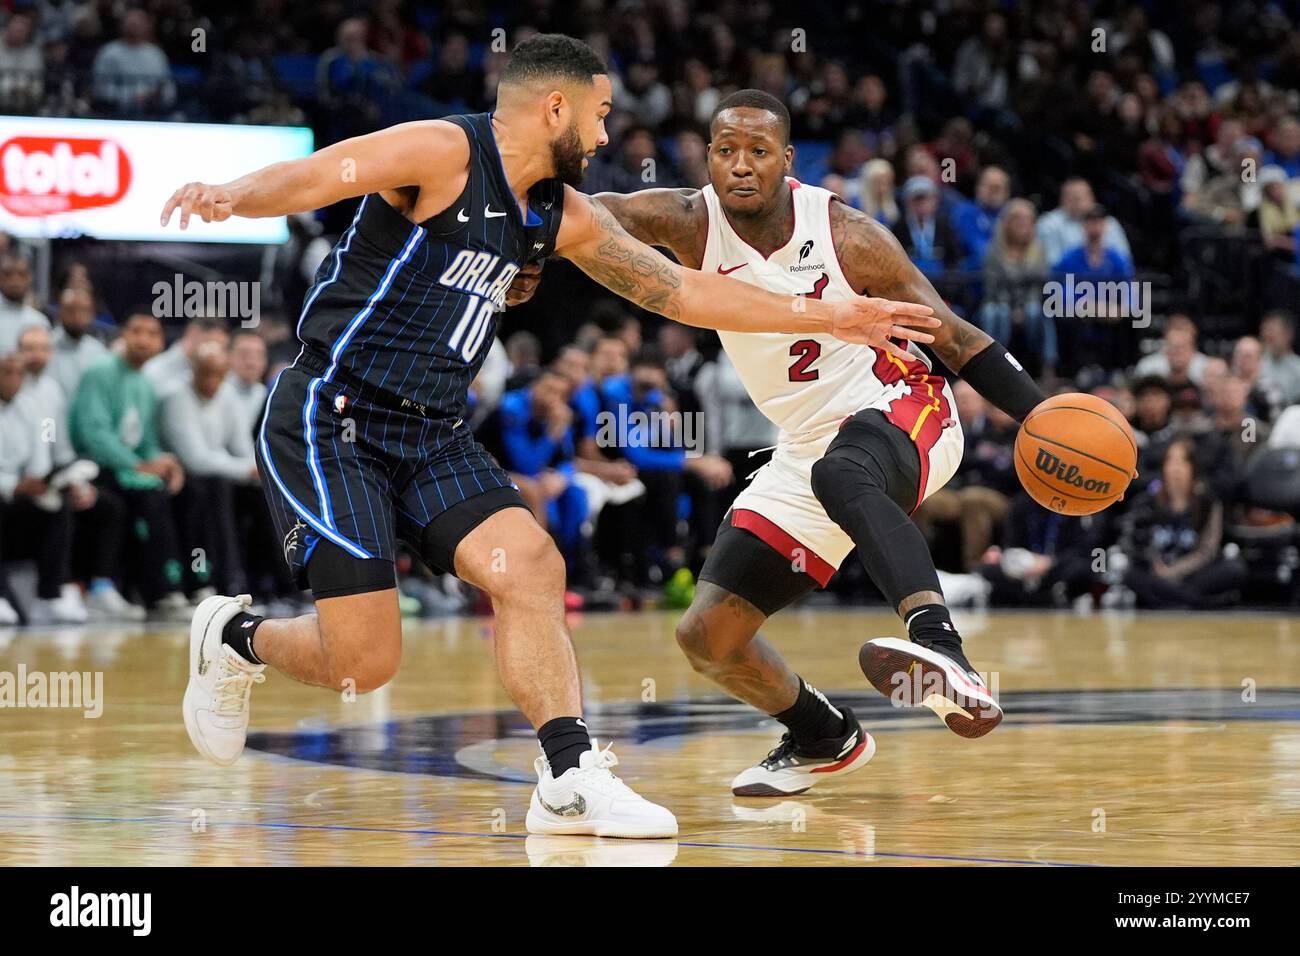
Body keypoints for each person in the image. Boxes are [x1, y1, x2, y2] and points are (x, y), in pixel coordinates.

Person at [160, 36, 930, 838]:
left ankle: (568, 776)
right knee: (366, 662)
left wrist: (830, 312)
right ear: (554, 107)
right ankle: (234, 636)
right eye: (598, 116)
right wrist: (229, 194)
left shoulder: (559, 216)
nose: (604, 138)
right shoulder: (444, 151)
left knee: (530, 564)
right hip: (332, 414)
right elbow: (323, 171)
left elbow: (685, 294)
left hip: (431, 431)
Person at [512, 89, 1050, 797]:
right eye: (725, 151)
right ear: (708, 157)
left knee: (843, 473)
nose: (740, 166)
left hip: (901, 403)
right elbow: (596, 215)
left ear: (786, 160)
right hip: (804, 442)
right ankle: (823, 733)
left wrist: (1043, 418)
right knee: (708, 634)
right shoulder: (689, 220)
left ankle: (945, 653)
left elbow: (952, 335)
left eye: (757, 152)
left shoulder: (846, 234)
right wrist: (525, 241)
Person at [68, 312, 189, 618]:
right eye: (136, 331)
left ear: (161, 342)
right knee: (146, 496)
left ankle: (168, 588)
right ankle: (129, 590)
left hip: (126, 468)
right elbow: (94, 434)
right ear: (123, 335)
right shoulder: (100, 372)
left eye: (152, 333)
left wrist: (162, 462)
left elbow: (145, 440)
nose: (143, 340)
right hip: (93, 466)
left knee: (173, 491)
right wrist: (137, 465)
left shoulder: (145, 384)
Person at [1120, 438, 1247, 609]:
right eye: (1171, 461)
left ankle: (1171, 601)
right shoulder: (1147, 502)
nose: (1176, 468)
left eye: (1182, 461)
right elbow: (1137, 543)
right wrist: (1158, 567)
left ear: (1193, 467)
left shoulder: (1207, 501)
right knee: (1131, 575)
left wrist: (1174, 572)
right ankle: (1196, 603)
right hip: (1158, 573)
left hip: (1193, 574)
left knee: (1234, 568)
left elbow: (1207, 551)